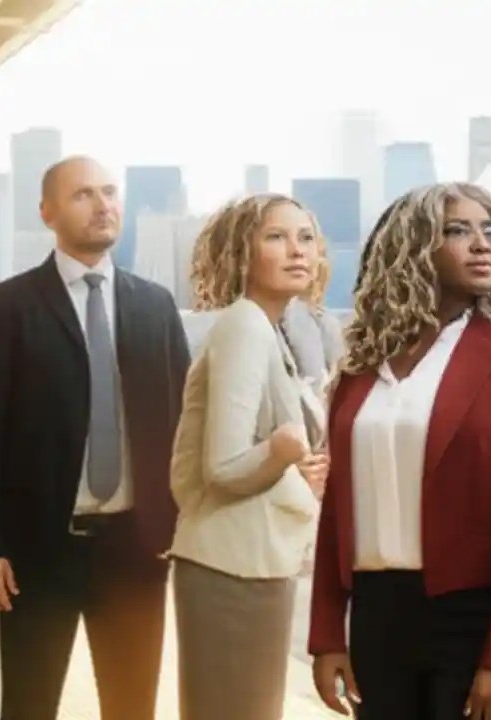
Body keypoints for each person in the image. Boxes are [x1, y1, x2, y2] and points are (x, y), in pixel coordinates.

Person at [309, 183, 491, 720]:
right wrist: (328, 633)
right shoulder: (359, 370)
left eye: (490, 231)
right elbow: (337, 509)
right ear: (411, 247)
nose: (481, 244)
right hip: (378, 620)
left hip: (475, 620)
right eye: (458, 230)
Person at [0, 155, 190, 720]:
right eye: (84, 194)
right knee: (28, 706)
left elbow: (187, 425)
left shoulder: (155, 305)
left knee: (132, 707)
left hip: (136, 548)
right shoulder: (7, 305)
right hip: (37, 551)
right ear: (47, 212)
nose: (104, 204)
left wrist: (182, 528)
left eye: (110, 192)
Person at [168, 193, 329, 719]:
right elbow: (224, 466)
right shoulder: (244, 325)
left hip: (251, 564)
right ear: (243, 252)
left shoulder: (270, 329)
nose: (296, 251)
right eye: (276, 237)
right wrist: (283, 452)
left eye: (305, 238)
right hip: (231, 568)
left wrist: (294, 471)